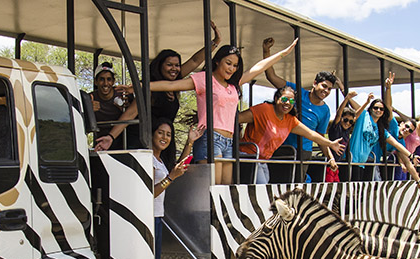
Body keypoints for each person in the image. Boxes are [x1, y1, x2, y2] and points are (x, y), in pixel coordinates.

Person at [143, 39, 303, 185]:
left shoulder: (233, 85)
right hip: (210, 138)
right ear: (217, 61)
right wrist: (139, 86)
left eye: (235, 66)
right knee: (213, 189)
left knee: (226, 189)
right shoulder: (204, 79)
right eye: (228, 63)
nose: (232, 68)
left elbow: (257, 68)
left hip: (229, 141)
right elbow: (172, 86)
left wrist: (282, 54)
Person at [96, 22, 223, 169]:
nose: (174, 69)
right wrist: (111, 137)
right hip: (143, 141)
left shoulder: (175, 82)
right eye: (169, 65)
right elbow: (131, 113)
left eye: (177, 65)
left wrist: (215, 42)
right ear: (160, 66)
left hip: (163, 140)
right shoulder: (151, 88)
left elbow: (195, 61)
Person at [152, 119, 204, 259]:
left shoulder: (160, 160)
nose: (164, 137)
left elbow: (178, 168)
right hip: (149, 219)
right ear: (152, 134)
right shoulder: (148, 159)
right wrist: (171, 178)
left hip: (158, 218)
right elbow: (150, 192)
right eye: (160, 133)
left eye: (168, 134)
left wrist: (190, 143)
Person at [261, 37, 335, 182]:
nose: (326, 91)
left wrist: (330, 158)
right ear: (315, 83)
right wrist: (266, 51)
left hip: (303, 151)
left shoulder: (325, 111)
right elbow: (271, 76)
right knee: (276, 182)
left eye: (329, 89)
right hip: (282, 146)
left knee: (296, 185)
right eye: (324, 86)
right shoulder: (296, 92)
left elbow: (320, 138)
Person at [237, 87, 342, 184]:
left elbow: (311, 134)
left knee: (267, 186)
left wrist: (330, 144)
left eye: (291, 101)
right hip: (248, 156)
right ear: (276, 98)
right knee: (263, 188)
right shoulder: (263, 110)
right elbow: (236, 118)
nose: (287, 103)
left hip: (263, 160)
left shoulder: (290, 120)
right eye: (284, 99)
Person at [90, 62, 132, 149]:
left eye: (109, 79)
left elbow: (136, 113)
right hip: (101, 143)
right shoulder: (90, 98)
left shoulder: (123, 95)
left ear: (113, 81)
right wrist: (88, 111)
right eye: (101, 79)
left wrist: (126, 108)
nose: (105, 84)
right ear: (95, 82)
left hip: (125, 143)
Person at [326, 90, 362, 182]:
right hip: (330, 162)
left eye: (350, 122)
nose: (348, 123)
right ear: (341, 119)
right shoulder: (336, 128)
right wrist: (347, 99)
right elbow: (339, 113)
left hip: (338, 164)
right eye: (345, 120)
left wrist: (367, 102)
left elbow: (357, 115)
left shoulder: (347, 130)